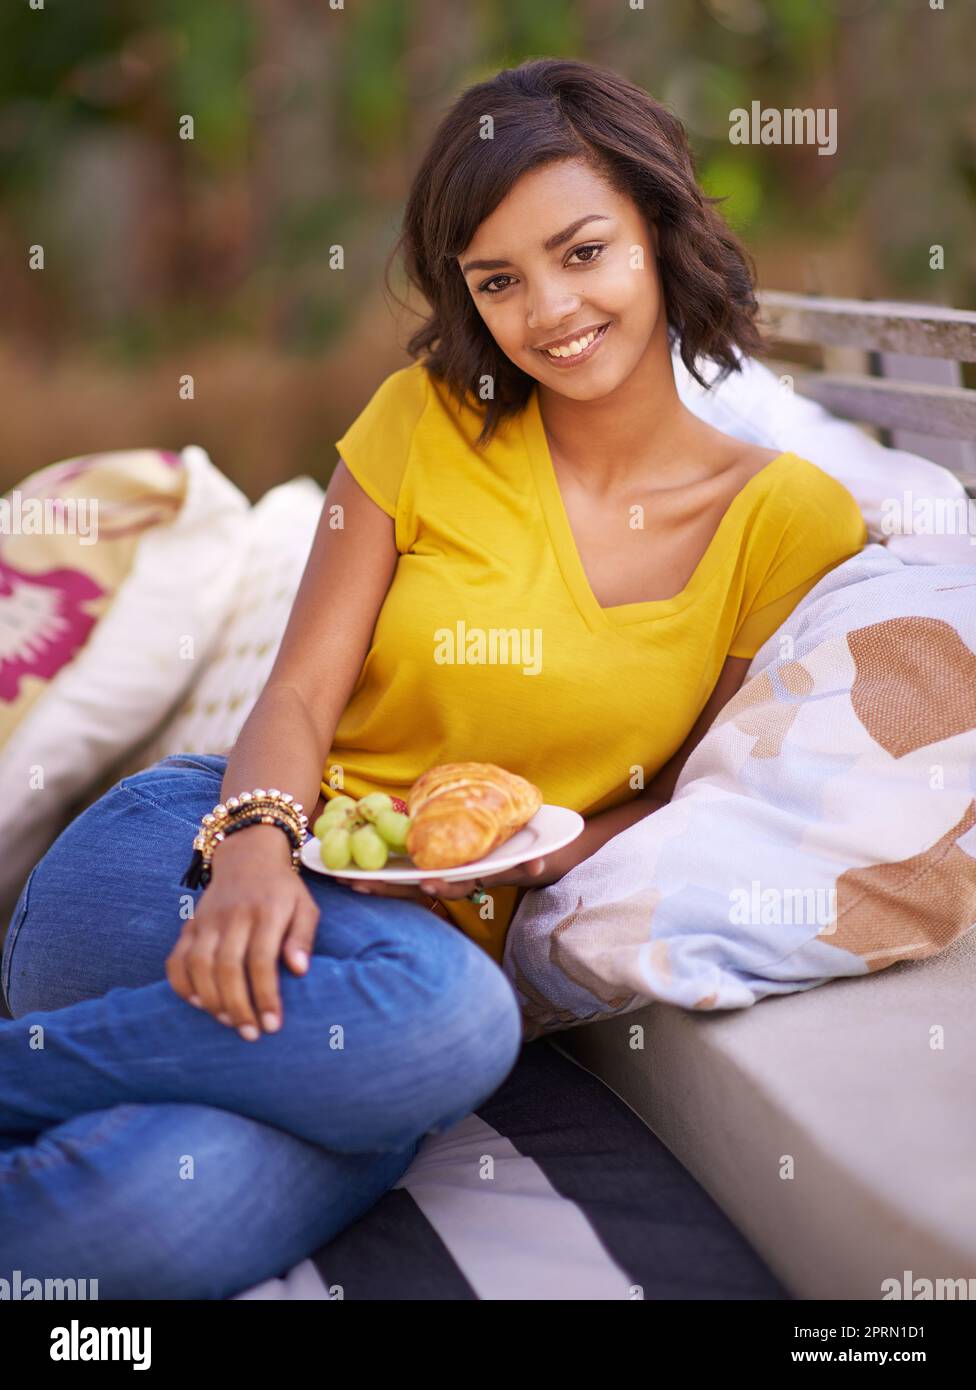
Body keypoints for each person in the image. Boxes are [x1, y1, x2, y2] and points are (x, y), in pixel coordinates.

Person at [0, 57, 866, 1299]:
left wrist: (561, 851)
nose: (548, 310)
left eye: (582, 252)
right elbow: (296, 695)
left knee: (126, 1227)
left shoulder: (786, 517)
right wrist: (250, 851)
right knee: (458, 1020)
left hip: (375, 1011)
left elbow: (686, 782)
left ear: (662, 231)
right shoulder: (425, 422)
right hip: (186, 865)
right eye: (498, 280)